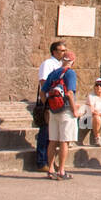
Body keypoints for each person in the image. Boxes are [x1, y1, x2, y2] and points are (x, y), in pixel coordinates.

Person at [43, 51, 81, 179]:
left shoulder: (54, 73)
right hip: (65, 110)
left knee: (52, 140)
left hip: (53, 111)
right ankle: (61, 171)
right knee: (64, 141)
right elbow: (70, 93)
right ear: (72, 62)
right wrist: (74, 109)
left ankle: (51, 169)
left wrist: (48, 106)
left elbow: (43, 92)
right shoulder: (70, 73)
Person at [35, 40, 67, 170]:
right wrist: (46, 101)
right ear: (54, 51)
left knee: (54, 134)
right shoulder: (48, 64)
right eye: (62, 50)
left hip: (58, 102)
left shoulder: (61, 65)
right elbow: (43, 82)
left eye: (65, 50)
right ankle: (42, 161)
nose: (64, 53)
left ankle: (51, 161)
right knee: (46, 132)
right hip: (49, 101)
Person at [83, 78, 101, 147]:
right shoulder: (91, 96)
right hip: (92, 118)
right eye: (97, 85)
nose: (98, 86)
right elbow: (93, 111)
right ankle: (97, 138)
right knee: (97, 117)